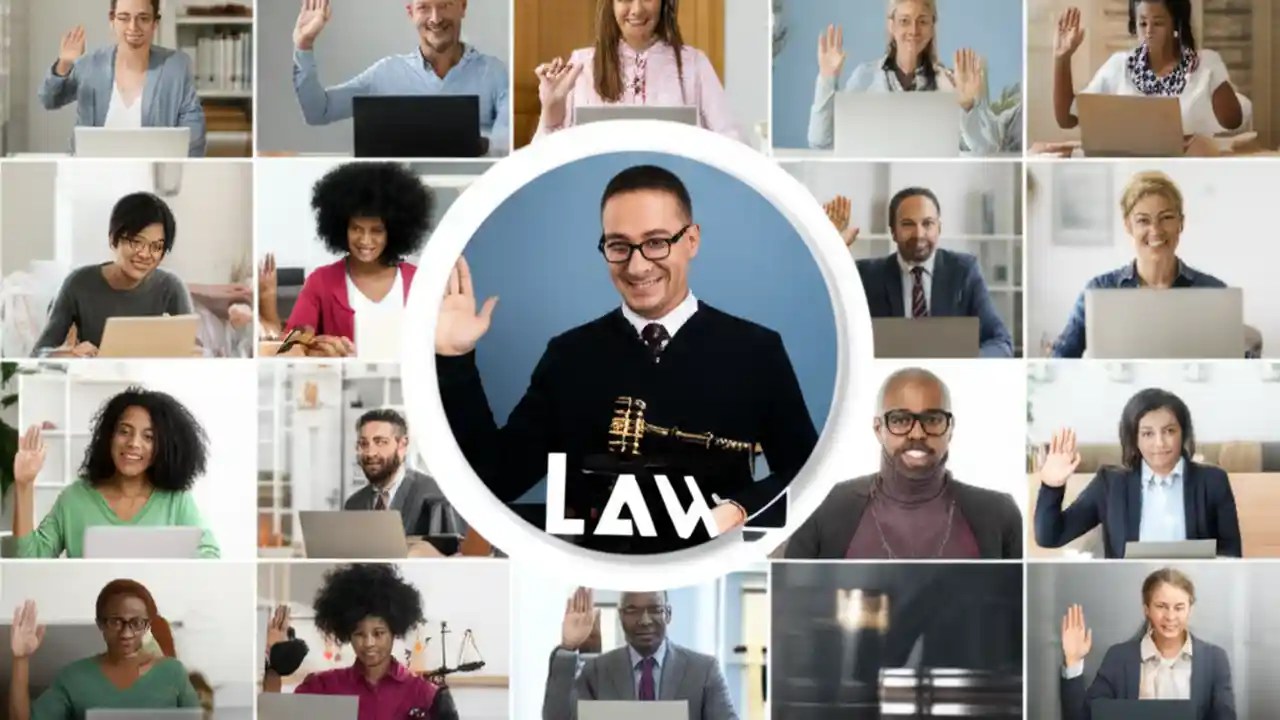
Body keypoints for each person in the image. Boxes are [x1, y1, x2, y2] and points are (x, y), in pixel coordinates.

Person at [436, 164, 817, 553]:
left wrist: (740, 509)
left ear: (692, 240)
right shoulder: (569, 356)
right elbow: (496, 478)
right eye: (619, 246)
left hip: (710, 561)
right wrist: (454, 360)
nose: (637, 266)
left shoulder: (757, 350)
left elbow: (805, 470)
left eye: (655, 242)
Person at [785, 368, 1021, 559]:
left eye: (932, 419)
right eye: (900, 420)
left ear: (950, 429)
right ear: (879, 429)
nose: (917, 433)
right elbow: (792, 606)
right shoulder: (821, 507)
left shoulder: (999, 515)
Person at [12, 387, 220, 559]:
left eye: (148, 437)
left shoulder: (176, 501)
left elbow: (210, 556)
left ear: (164, 447)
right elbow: (30, 559)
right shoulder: (74, 499)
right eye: (124, 432)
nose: (133, 444)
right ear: (109, 437)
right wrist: (24, 484)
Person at [1035, 388, 1241, 559]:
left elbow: (1232, 555)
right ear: (1134, 439)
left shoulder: (1213, 481)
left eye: (1169, 431)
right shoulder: (1110, 484)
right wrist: (1051, 485)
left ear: (1183, 433)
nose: (1160, 443)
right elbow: (1050, 537)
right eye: (1148, 433)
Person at [291, 0, 510, 155]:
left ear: (463, 6)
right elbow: (319, 111)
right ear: (411, 12)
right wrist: (304, 44)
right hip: (401, 193)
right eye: (424, 7)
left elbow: (507, 145)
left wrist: (471, 143)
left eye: (445, 5)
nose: (435, 18)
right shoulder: (386, 73)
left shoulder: (494, 72)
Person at [1050, 171, 1230, 358]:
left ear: (1181, 223)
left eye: (1166, 217)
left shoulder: (1214, 291)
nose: (1155, 231)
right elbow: (1061, 359)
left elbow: (1234, 364)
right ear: (1129, 226)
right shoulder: (1099, 290)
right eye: (1143, 220)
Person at [830, 187, 1014, 358]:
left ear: (939, 228)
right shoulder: (867, 275)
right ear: (893, 232)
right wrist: (831, 246)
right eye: (908, 224)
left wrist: (963, 364)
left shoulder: (964, 271)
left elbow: (1001, 343)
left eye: (928, 224)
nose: (919, 234)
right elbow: (831, 329)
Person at [262, 564, 459, 720]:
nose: (369, 643)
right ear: (347, 634)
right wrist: (273, 669)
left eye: (378, 633)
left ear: (394, 632)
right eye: (359, 634)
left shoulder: (425, 694)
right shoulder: (323, 687)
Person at [281, 162, 434, 358]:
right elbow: (290, 345)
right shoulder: (321, 282)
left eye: (376, 230)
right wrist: (314, 353)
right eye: (356, 228)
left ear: (394, 232)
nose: (365, 240)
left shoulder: (419, 282)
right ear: (342, 228)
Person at [807, 0, 1000, 154]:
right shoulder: (864, 78)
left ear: (932, 26)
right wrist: (827, 78)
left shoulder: (951, 84)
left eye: (922, 21)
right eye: (904, 21)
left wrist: (967, 106)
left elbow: (987, 148)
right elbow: (820, 141)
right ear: (891, 25)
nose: (914, 31)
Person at [533, 0, 739, 140]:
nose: (637, 10)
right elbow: (544, 162)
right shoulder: (580, 65)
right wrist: (552, 109)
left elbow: (734, 147)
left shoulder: (695, 64)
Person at [1053, 1, 1246, 141]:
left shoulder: (1205, 63)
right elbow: (1067, 119)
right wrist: (1062, 58)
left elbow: (1233, 122)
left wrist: (1213, 74)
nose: (1149, 31)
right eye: (1143, 23)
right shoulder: (1118, 66)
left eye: (1159, 23)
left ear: (1175, 26)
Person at [9, 581, 203, 720]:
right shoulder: (73, 677)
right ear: (101, 624)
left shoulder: (173, 672)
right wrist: (21, 659)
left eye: (136, 623)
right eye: (116, 622)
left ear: (147, 626)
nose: (126, 633)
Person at [1058, 568, 1236, 720]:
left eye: (1179, 607)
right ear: (1147, 610)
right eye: (1161, 606)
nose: (1170, 617)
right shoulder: (1119, 658)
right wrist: (1073, 661)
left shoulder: (1214, 659)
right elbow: (1085, 717)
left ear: (1190, 610)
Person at [33, 192, 194, 358]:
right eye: (136, 242)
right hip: (96, 379)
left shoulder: (171, 287)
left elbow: (195, 351)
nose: (145, 254)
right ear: (113, 239)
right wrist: (69, 355)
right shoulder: (78, 283)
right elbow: (38, 355)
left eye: (156, 247)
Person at [39, 0, 206, 157]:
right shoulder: (91, 64)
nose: (133, 27)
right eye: (124, 18)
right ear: (112, 20)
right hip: (90, 175)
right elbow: (49, 100)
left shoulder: (176, 67)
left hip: (149, 180)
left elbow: (194, 140)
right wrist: (64, 65)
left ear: (155, 22)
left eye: (143, 18)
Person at [544, 587, 737, 720]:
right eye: (632, 610)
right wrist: (568, 646)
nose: (644, 620)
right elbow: (556, 718)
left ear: (668, 614)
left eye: (655, 609)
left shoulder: (703, 671)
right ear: (620, 616)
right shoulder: (596, 671)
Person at [344, 409, 465, 537]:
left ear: (402, 445)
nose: (370, 453)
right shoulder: (354, 504)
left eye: (380, 442)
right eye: (364, 444)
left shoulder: (437, 495)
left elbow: (457, 553)